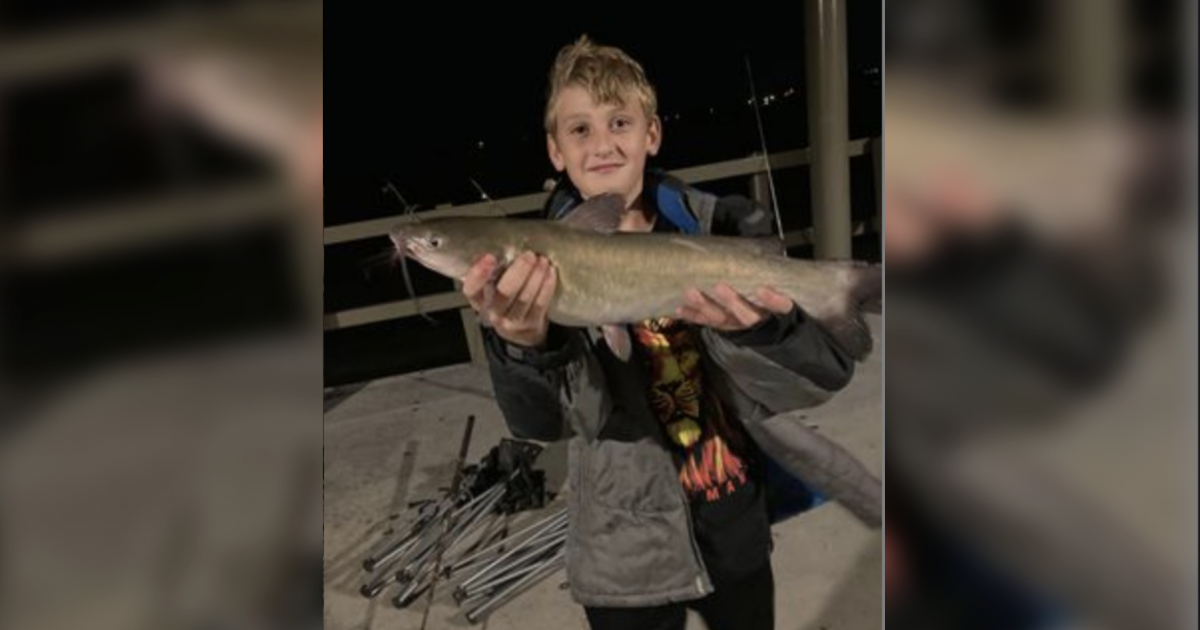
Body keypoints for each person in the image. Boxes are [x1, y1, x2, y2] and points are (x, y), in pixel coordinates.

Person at [458, 35, 879, 630]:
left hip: (734, 525)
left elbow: (823, 378)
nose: (602, 143)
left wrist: (763, 331)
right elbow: (544, 426)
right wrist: (525, 347)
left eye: (620, 122)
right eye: (579, 130)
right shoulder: (533, 268)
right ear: (554, 151)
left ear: (651, 134)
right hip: (624, 556)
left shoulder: (724, 225)